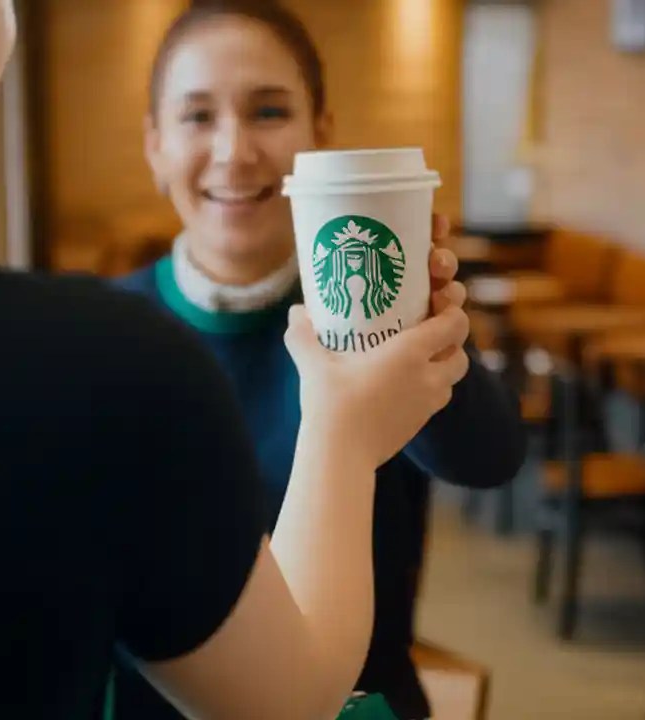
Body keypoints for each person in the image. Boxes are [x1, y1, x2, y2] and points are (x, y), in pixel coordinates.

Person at [0, 1, 473, 718]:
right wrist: (342, 432)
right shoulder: (98, 362)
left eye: (268, 110)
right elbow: (290, 701)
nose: (233, 150)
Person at [113, 2, 527, 717]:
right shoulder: (99, 334)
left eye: (269, 111)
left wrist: (429, 328)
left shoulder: (377, 321)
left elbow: (489, 459)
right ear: (154, 146)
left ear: (321, 136)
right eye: (197, 117)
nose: (234, 150)